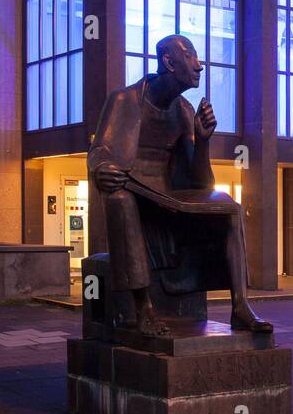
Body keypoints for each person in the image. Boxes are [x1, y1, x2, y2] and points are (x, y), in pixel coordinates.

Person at [88, 34, 271, 336]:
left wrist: (202, 141)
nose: (199, 66)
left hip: (169, 199)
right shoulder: (125, 100)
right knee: (119, 198)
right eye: (191, 57)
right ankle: (143, 307)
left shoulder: (185, 111)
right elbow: (100, 153)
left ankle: (240, 306)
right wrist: (101, 169)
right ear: (169, 62)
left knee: (228, 207)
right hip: (132, 190)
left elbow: (200, 183)